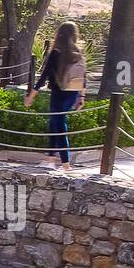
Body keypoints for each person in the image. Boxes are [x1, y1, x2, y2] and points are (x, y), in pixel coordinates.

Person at [25, 21, 87, 170]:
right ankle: (50, 159)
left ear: (58, 35)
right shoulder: (78, 53)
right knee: (54, 123)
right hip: (72, 94)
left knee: (59, 126)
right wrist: (81, 97)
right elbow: (83, 77)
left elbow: (43, 77)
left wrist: (30, 96)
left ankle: (66, 164)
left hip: (58, 93)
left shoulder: (56, 52)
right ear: (74, 35)